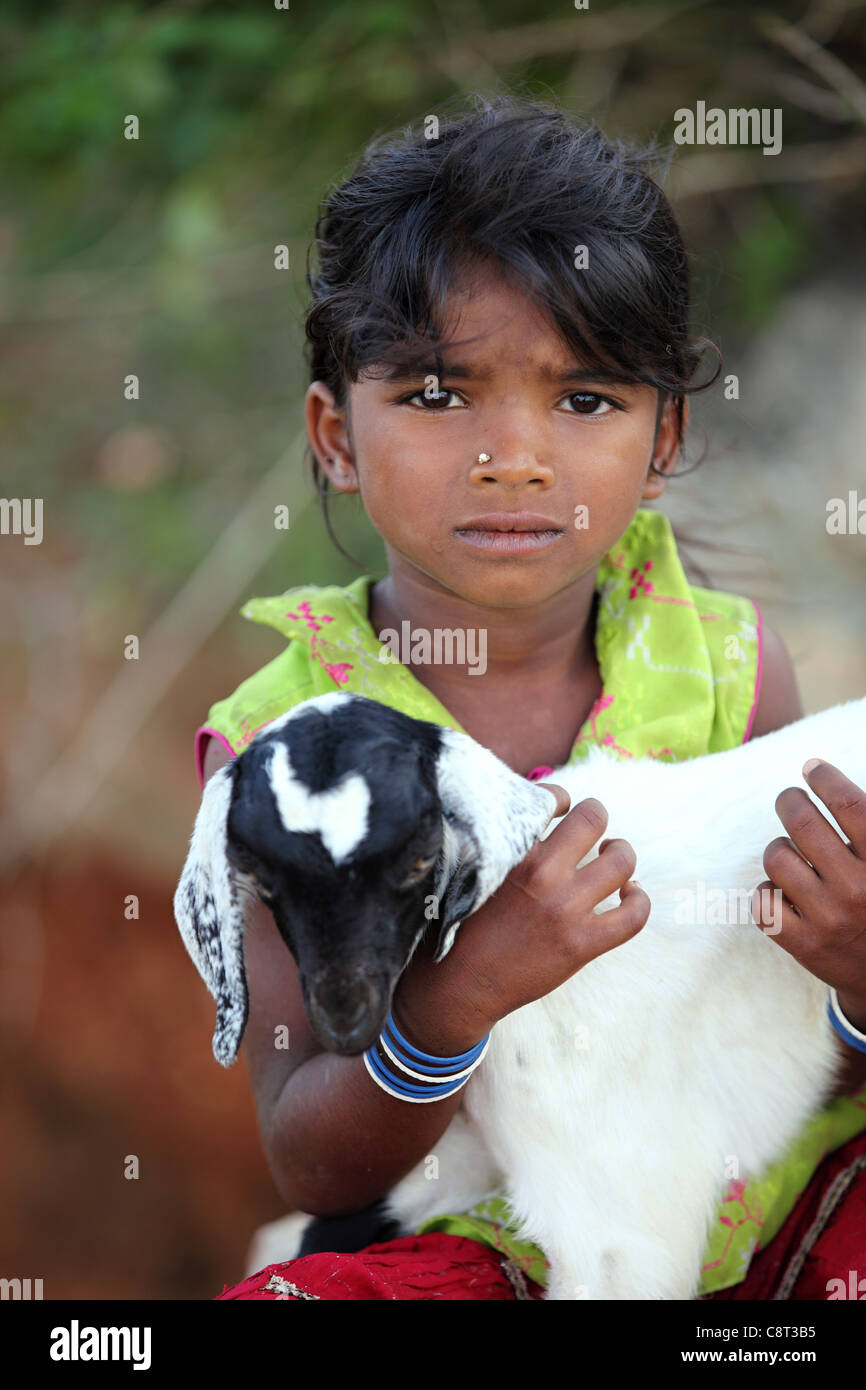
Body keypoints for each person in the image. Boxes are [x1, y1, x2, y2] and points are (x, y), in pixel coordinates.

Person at [190, 94, 866, 1301]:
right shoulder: (283, 751)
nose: (513, 454)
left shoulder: (726, 667)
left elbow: (773, 1049)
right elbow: (309, 1153)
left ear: (663, 440)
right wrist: (459, 997)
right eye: (439, 395)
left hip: (764, 1204)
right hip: (492, 1239)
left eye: (586, 398)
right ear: (333, 436)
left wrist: (862, 985)